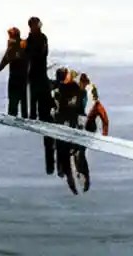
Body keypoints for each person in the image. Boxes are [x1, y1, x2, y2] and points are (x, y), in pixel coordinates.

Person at [24, 17, 53, 174]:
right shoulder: (34, 38)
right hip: (36, 73)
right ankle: (34, 115)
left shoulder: (41, 38)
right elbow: (30, 54)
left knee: (40, 98)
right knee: (34, 96)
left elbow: (38, 53)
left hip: (39, 74)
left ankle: (40, 115)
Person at [50, 66, 86, 194]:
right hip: (65, 117)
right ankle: (63, 167)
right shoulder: (60, 86)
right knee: (61, 146)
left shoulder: (70, 86)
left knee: (64, 146)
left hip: (68, 117)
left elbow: (78, 101)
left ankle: (66, 166)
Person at [76, 73, 109, 192]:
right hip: (80, 127)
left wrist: (104, 136)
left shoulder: (95, 104)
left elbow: (105, 119)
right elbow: (105, 119)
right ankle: (81, 173)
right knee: (78, 152)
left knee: (80, 152)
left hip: (87, 129)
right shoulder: (81, 95)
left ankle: (84, 176)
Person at [0, 26, 28, 117]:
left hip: (15, 76)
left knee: (13, 98)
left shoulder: (12, 44)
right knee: (23, 98)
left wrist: (0, 67)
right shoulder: (24, 43)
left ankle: (12, 114)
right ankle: (25, 116)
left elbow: (6, 58)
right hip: (24, 75)